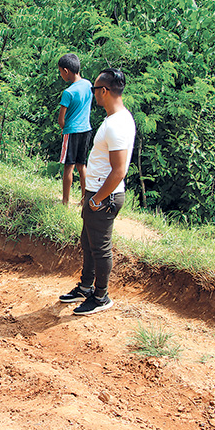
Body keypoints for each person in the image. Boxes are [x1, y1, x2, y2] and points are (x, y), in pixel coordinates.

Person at [59, 68, 135, 315]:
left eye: (94, 90)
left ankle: (101, 296)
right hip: (95, 193)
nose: (93, 95)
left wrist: (98, 199)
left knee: (100, 248)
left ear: (104, 91)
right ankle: (85, 287)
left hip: (104, 197)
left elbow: (119, 171)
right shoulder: (113, 119)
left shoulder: (118, 125)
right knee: (88, 242)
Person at [57, 53, 93, 206]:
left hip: (71, 131)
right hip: (86, 129)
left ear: (66, 71)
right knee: (81, 165)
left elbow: (61, 119)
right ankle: (84, 198)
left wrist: (63, 129)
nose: (60, 74)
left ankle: (65, 201)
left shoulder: (68, 92)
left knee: (68, 166)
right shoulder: (88, 85)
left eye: (60, 71)